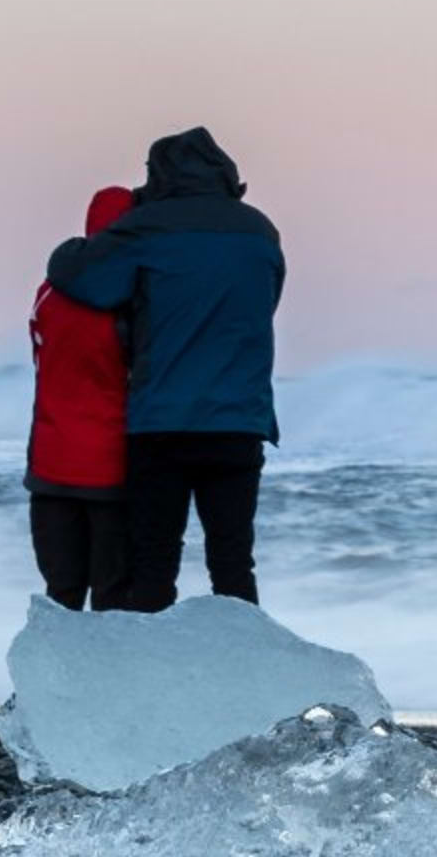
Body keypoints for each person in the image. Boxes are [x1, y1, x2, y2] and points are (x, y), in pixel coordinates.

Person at [45, 126, 284, 610]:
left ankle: (144, 680)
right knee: (234, 562)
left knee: (154, 563)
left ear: (161, 175)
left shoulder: (151, 225)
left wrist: (71, 246)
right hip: (240, 422)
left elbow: (86, 278)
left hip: (163, 422)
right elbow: (266, 302)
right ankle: (248, 673)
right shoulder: (260, 230)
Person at [25, 184, 139, 609]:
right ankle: (107, 677)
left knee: (62, 592)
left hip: (51, 461)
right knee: (113, 596)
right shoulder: (133, 295)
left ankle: (53, 675)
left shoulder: (50, 290)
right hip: (112, 465)